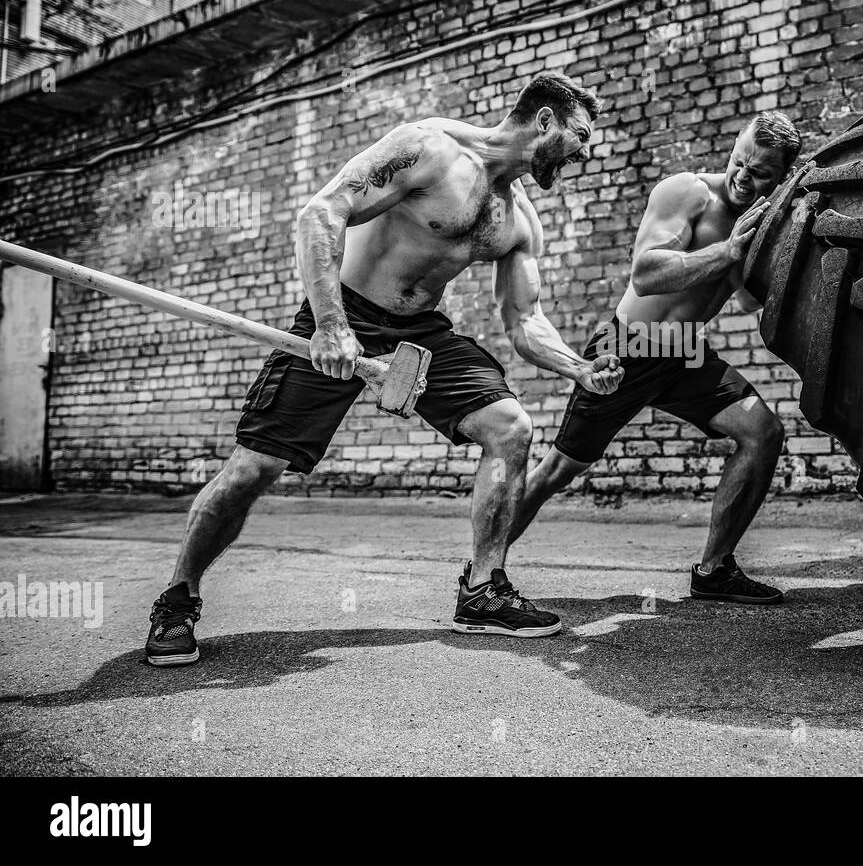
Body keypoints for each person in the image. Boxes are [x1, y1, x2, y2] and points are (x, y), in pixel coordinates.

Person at [145, 71, 623, 665]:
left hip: (420, 330)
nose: (584, 150)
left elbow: (524, 320)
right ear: (544, 121)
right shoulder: (430, 149)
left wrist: (578, 368)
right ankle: (176, 599)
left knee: (511, 429)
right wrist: (330, 324)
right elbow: (321, 214)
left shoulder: (519, 218)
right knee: (255, 467)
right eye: (579, 135)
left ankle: (482, 590)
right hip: (343, 313)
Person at [508, 111, 802, 603]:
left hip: (685, 355)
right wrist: (728, 253)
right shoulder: (687, 192)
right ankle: (482, 570)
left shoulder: (755, 221)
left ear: (783, 177)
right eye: (738, 161)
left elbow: (750, 301)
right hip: (627, 348)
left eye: (760, 173)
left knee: (763, 433)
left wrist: (766, 249)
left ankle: (713, 571)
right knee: (558, 471)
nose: (742, 177)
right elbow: (646, 274)